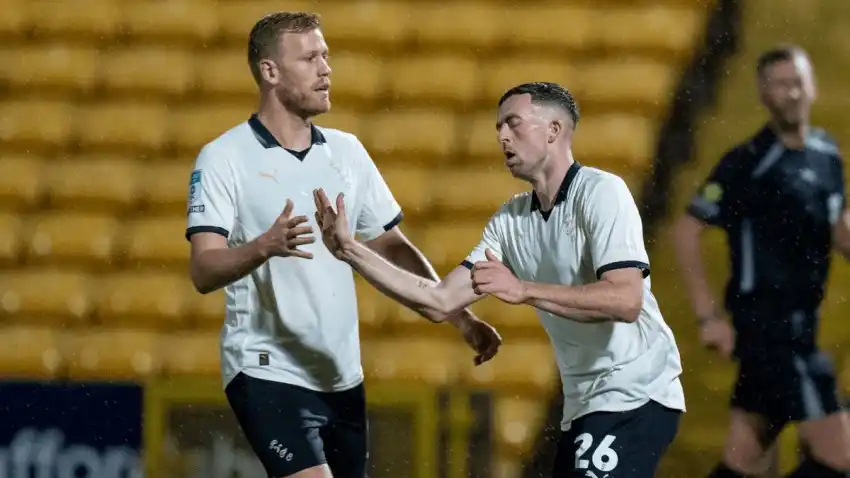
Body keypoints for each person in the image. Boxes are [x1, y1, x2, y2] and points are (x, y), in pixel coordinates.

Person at [184, 12, 502, 478]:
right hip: (268, 370)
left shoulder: (347, 152)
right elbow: (203, 270)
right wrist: (264, 246)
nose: (326, 68)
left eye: (326, 55)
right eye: (310, 58)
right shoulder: (224, 158)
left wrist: (461, 317)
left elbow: (392, 247)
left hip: (342, 377)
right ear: (270, 72)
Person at [312, 81, 686, 478]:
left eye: (513, 123)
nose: (502, 136)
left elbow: (626, 300)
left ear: (553, 131)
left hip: (636, 391)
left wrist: (524, 290)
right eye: (497, 128)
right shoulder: (510, 221)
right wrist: (350, 251)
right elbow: (440, 301)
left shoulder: (601, 193)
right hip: (585, 404)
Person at [674, 44, 850, 478]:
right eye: (780, 84)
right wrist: (706, 316)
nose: (791, 93)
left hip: (802, 326)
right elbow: (686, 231)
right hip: (768, 330)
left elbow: (837, 225)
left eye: (797, 82)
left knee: (748, 457)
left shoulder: (827, 153)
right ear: (763, 93)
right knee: (841, 456)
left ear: (812, 86)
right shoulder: (748, 162)